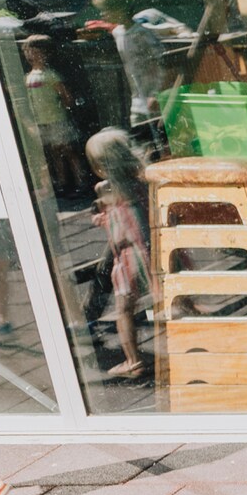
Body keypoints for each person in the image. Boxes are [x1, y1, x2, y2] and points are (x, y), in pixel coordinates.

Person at [87, 129, 154, 377]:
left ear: (101, 167)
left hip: (129, 258)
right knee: (167, 296)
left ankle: (133, 361)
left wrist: (101, 219)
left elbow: (117, 226)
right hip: (151, 249)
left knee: (124, 310)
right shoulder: (141, 181)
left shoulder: (106, 190)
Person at [90, 0, 172, 127]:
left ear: (119, 9)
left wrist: (157, 94)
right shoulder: (118, 33)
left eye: (105, 10)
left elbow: (164, 64)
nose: (102, 15)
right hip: (137, 101)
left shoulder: (142, 33)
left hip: (154, 100)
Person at [20, 37, 84, 205]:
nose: (32, 55)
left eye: (36, 52)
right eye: (29, 52)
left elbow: (66, 96)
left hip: (57, 118)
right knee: (55, 153)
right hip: (42, 121)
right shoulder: (28, 77)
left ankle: (80, 182)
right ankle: (63, 183)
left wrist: (65, 109)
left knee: (68, 150)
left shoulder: (51, 75)